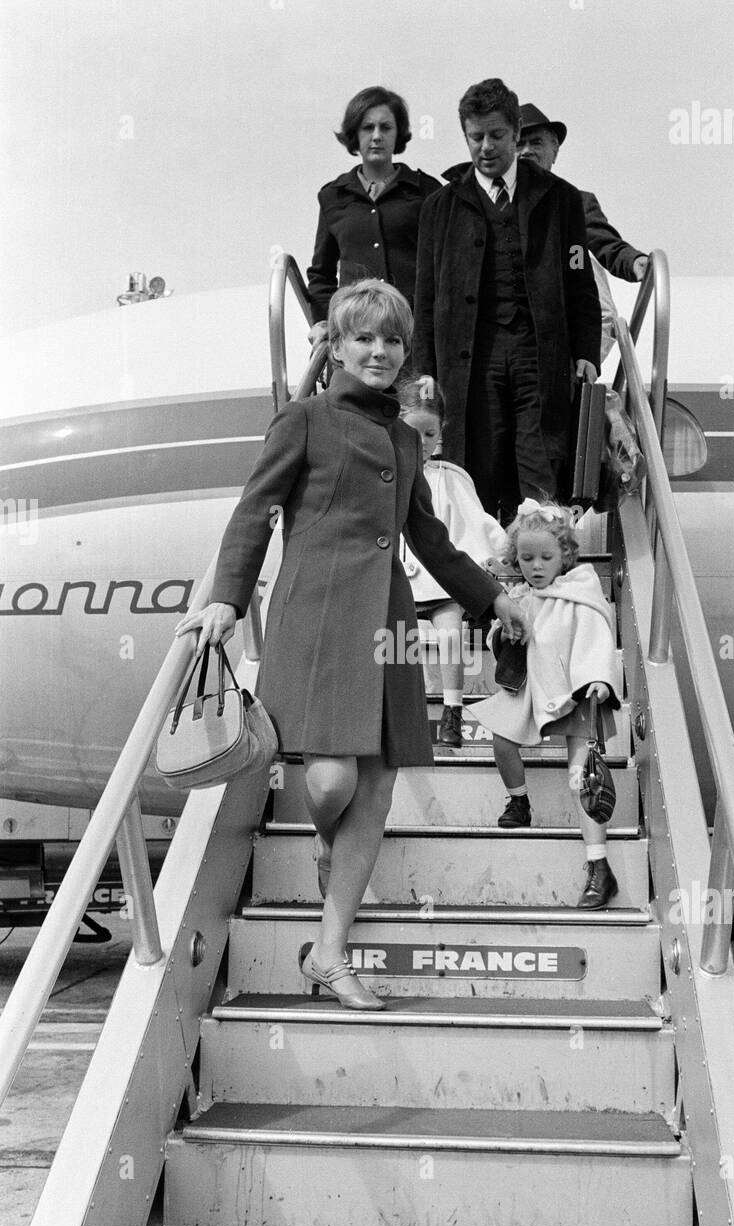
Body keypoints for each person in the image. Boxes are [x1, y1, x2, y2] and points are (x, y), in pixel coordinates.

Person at [175, 280, 525, 1010]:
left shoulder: (405, 437)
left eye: (392, 340)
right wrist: (225, 599)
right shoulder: (301, 420)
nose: (379, 350)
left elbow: (427, 538)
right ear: (334, 348)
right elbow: (254, 512)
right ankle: (325, 843)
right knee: (330, 784)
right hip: (320, 613)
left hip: (389, 622)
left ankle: (329, 955)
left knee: (376, 788)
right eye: (363, 337)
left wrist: (492, 597)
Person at [413, 77, 602, 524]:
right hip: (471, 361)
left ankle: (543, 572)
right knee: (477, 466)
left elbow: (580, 283)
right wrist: (425, 367)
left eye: (496, 135)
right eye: (475, 137)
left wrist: (586, 352)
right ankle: (483, 578)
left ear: (516, 133)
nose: (485, 147)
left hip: (539, 356)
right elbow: (424, 297)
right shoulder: (439, 208)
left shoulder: (561, 200)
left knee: (538, 465)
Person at [469, 500, 622, 910]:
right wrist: (503, 635)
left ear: (565, 556)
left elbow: (595, 639)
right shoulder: (517, 596)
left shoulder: (580, 594)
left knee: (582, 778)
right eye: (527, 558)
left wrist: (596, 682)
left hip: (573, 691)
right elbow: (496, 641)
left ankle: (599, 866)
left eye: (546, 558)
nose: (536, 566)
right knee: (502, 741)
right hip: (528, 689)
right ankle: (519, 800)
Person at [397, 376, 507, 747]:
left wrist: (493, 556)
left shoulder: (449, 478)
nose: (422, 443)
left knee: (450, 632)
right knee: (387, 637)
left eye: (429, 434)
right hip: (398, 580)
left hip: (439, 583)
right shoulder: (385, 477)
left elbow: (473, 523)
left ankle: (452, 711)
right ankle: (390, 711)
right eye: (413, 433)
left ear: (440, 433)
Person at [306, 87, 440, 349]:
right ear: (355, 134)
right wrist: (327, 323)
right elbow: (321, 275)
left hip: (414, 337)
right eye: (368, 128)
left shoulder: (427, 191)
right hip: (355, 339)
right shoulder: (333, 196)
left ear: (398, 133)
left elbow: (445, 267)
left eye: (386, 127)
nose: (376, 136)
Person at [516, 103, 649, 282]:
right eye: (519, 144)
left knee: (580, 260)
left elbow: (606, 243)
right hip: (507, 301)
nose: (526, 151)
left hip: (564, 298)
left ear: (554, 150)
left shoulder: (575, 202)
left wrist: (634, 261)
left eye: (536, 143)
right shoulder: (486, 203)